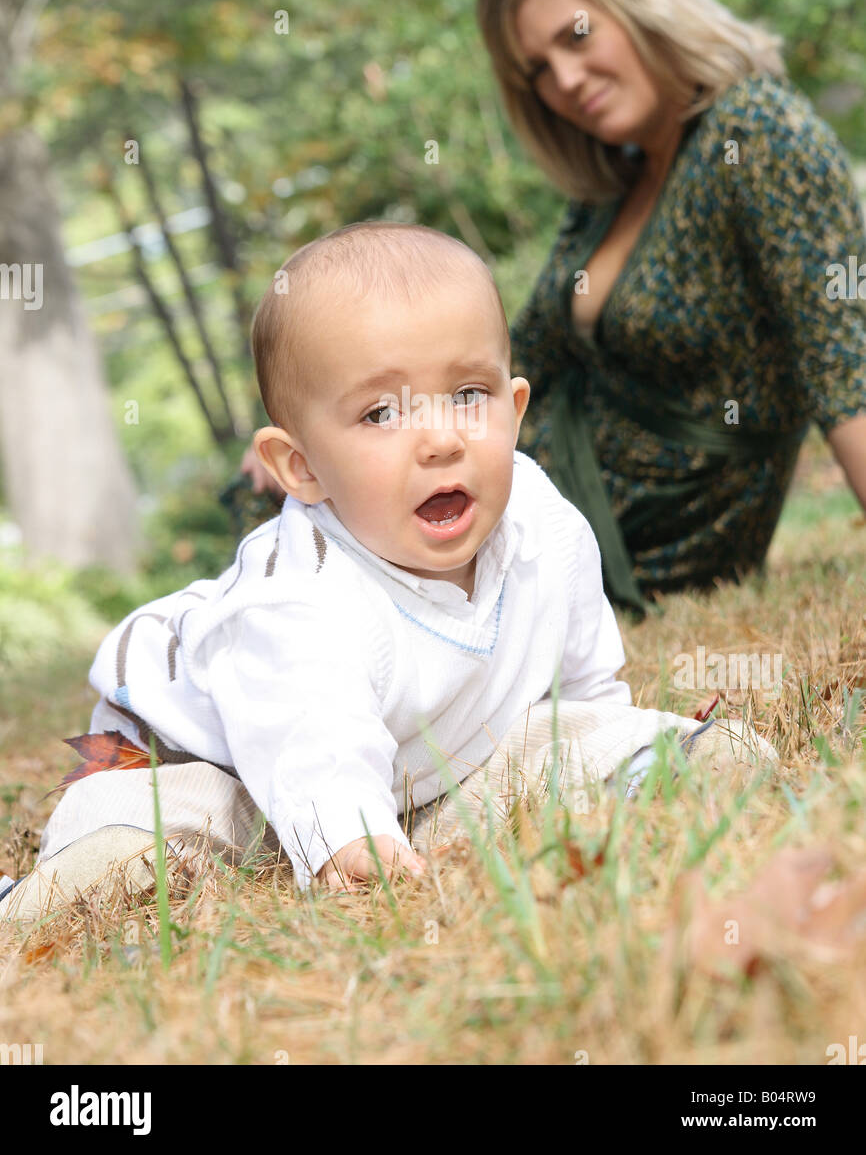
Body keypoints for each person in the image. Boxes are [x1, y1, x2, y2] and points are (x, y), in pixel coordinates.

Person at [0, 223, 775, 923]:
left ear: (514, 408)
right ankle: (63, 880)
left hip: (418, 756)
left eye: (468, 395)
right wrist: (348, 833)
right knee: (187, 825)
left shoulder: (542, 522)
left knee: (532, 751)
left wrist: (597, 731)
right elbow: (313, 731)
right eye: (381, 414)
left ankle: (643, 763)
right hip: (206, 745)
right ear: (299, 466)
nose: (439, 440)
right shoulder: (298, 597)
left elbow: (582, 676)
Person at [477, 0, 866, 615]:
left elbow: (847, 371)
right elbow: (525, 355)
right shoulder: (615, 177)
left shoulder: (756, 133)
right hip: (529, 489)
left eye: (577, 35)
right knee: (300, 512)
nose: (564, 78)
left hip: (639, 535)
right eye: (538, 69)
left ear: (641, 4)